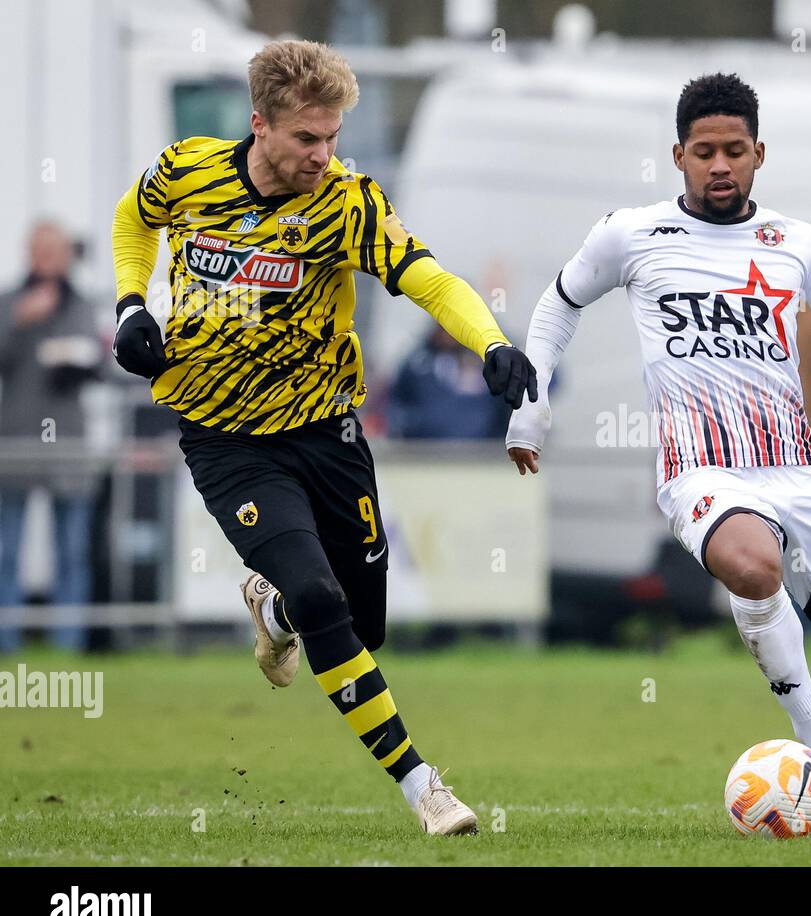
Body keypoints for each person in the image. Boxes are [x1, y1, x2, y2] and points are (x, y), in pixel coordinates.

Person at [506, 73, 811, 835]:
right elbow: (559, 304)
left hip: (798, 467)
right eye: (704, 152)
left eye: (735, 150)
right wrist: (530, 409)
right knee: (755, 566)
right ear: (678, 155)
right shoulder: (631, 235)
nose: (720, 165)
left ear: (759, 154)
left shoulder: (797, 244)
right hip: (699, 469)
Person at [110, 39, 536, 836]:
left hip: (326, 434)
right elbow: (135, 216)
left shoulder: (346, 203)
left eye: (333, 137)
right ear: (260, 124)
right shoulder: (187, 169)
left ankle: (273, 611)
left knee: (358, 629)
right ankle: (424, 787)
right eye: (307, 138)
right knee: (320, 600)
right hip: (226, 438)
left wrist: (490, 342)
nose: (323, 155)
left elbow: (428, 277)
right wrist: (132, 302)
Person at [0, 221, 102, 652]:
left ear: (66, 256)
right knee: (6, 551)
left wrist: (87, 358)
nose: (46, 259)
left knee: (72, 551)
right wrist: (20, 322)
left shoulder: (83, 305)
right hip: (16, 441)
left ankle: (69, 644)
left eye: (54, 251)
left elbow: (101, 364)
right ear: (29, 253)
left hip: (68, 443)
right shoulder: (9, 302)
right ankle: (6, 641)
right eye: (39, 250)